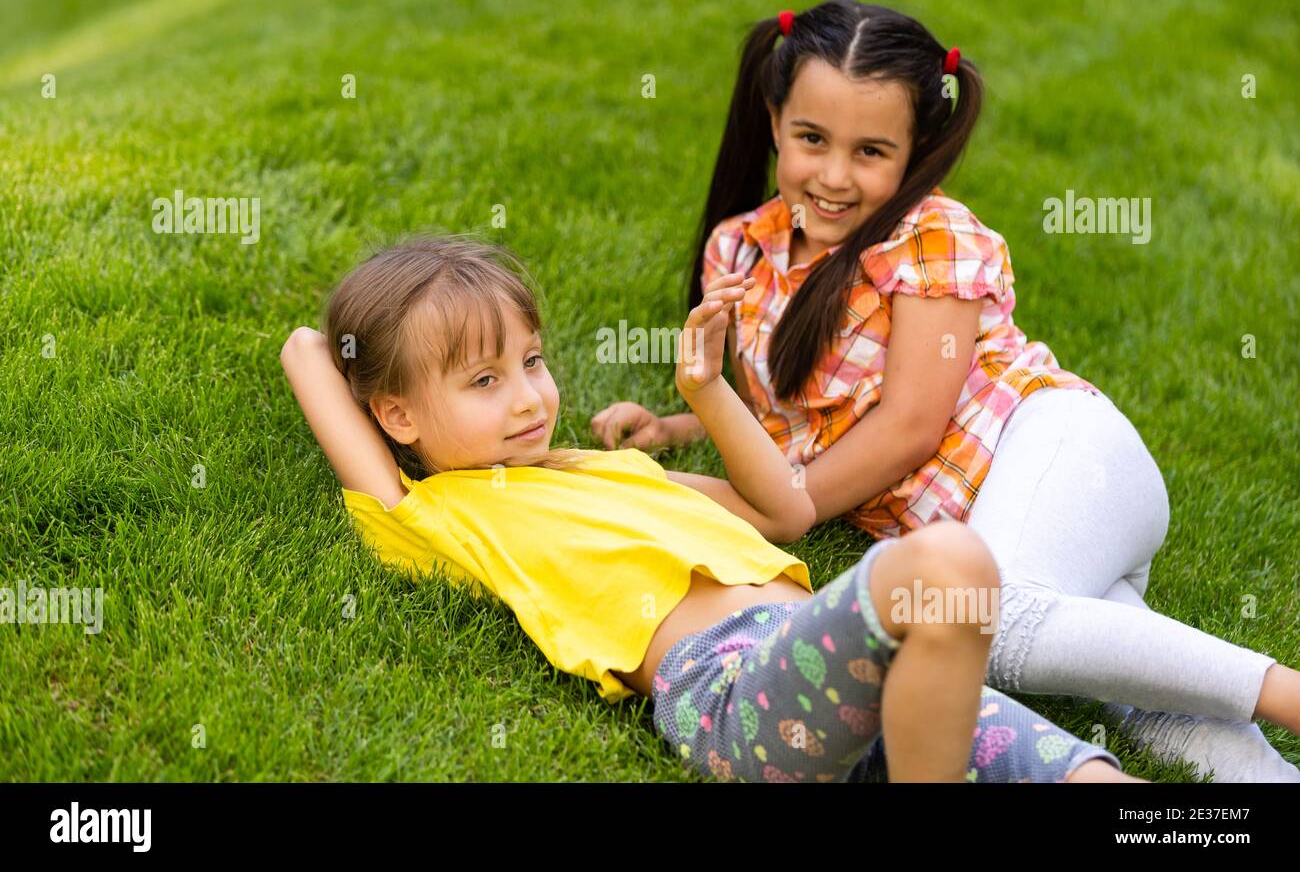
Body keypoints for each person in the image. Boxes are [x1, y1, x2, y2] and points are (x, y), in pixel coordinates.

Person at [592, 0, 1300, 782]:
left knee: (978, 623)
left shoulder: (929, 238)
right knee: (1137, 696)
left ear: (918, 148)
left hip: (1055, 453)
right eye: (812, 139)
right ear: (773, 119)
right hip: (1013, 537)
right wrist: (674, 426)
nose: (832, 176)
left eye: (870, 151)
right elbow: (787, 413)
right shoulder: (741, 248)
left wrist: (788, 503)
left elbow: (909, 425)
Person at [281, 235, 1137, 782]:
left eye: (533, 361)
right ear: (394, 416)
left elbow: (783, 513)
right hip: (732, 688)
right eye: (483, 381)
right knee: (948, 567)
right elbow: (308, 350)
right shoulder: (434, 512)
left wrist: (709, 391)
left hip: (855, 664)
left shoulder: (610, 470)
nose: (528, 399)